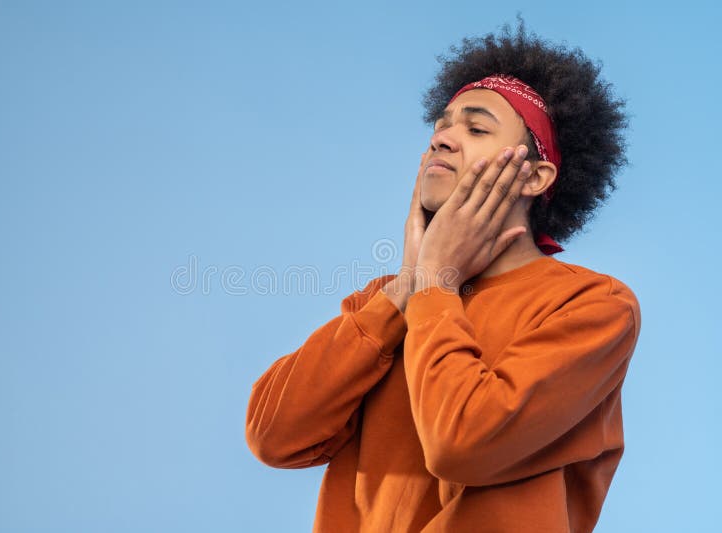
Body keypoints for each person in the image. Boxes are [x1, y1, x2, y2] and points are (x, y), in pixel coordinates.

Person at [245, 19, 641, 533]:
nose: (443, 140)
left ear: (535, 176)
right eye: (441, 127)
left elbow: (463, 442)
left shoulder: (592, 305)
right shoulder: (387, 301)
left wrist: (435, 282)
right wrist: (405, 292)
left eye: (476, 129)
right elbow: (274, 437)